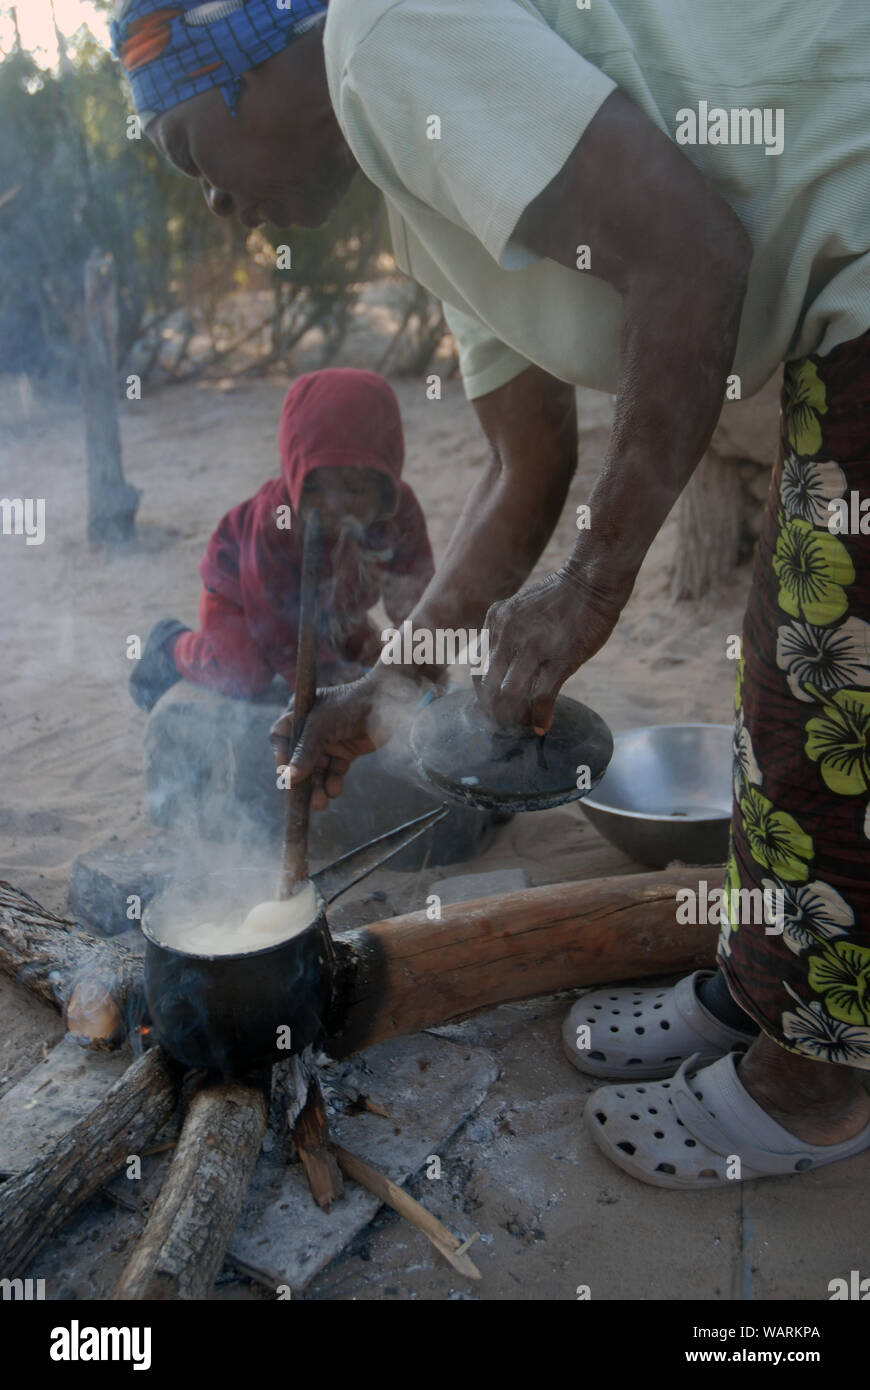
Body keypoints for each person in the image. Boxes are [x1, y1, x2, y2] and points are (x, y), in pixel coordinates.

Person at [112, 0, 870, 1186]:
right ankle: (761, 990)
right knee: (785, 701)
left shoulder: (381, 34)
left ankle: (815, 1085)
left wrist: (592, 586)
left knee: (830, 693)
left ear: (249, 71)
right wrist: (385, 689)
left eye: (184, 149)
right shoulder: (417, 186)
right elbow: (528, 470)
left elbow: (693, 252)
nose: (212, 199)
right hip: (841, 295)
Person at [129, 367, 434, 711]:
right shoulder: (278, 519)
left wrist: (422, 654)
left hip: (329, 606)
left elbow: (415, 592)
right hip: (243, 595)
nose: (339, 504)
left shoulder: (400, 512)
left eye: (357, 488)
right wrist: (323, 672)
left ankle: (331, 645)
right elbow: (273, 611)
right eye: (320, 487)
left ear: (385, 477)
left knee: (377, 659)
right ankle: (171, 646)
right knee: (245, 674)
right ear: (296, 473)